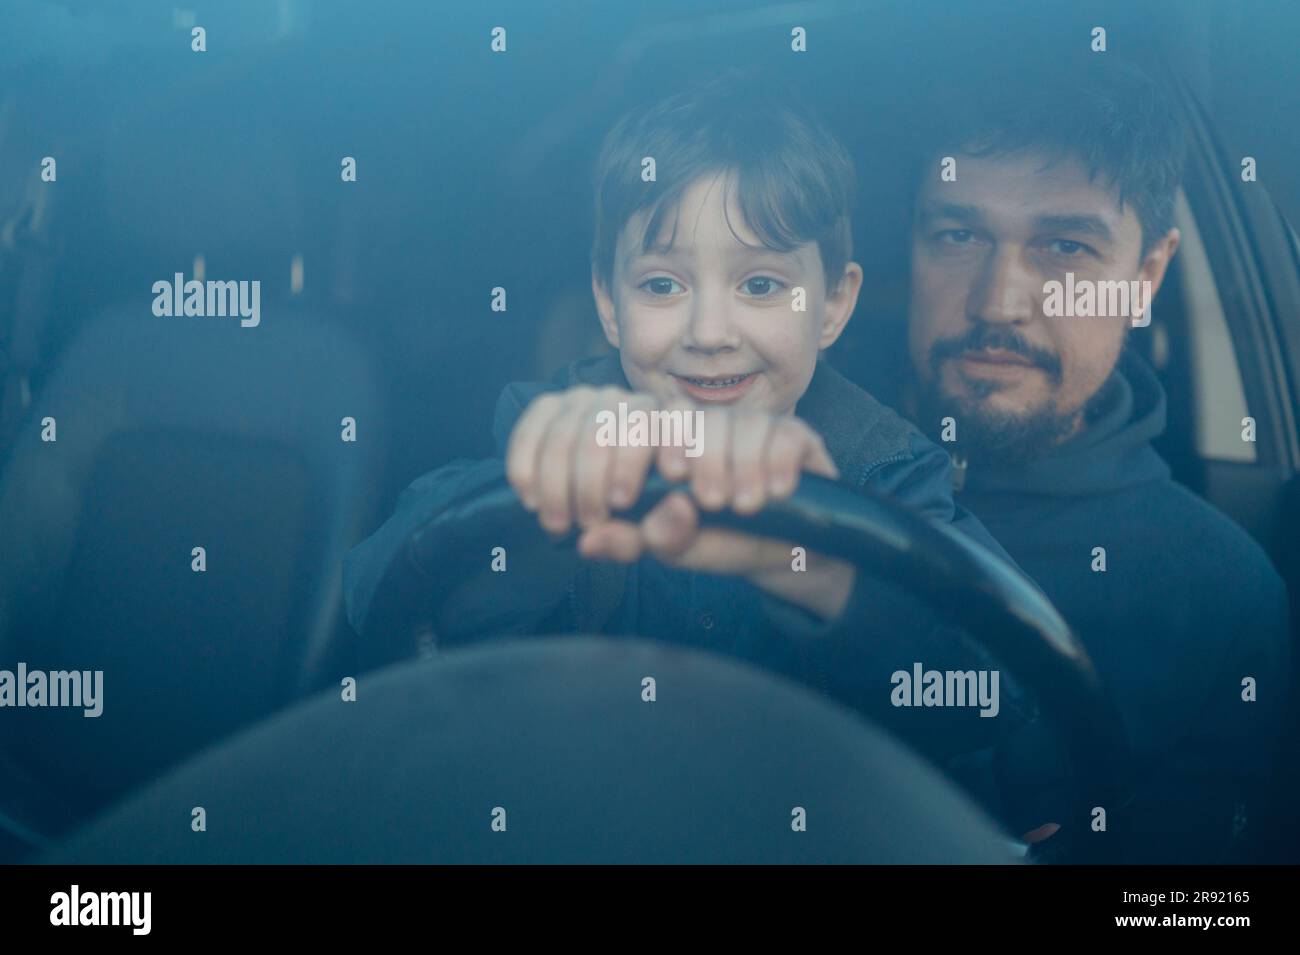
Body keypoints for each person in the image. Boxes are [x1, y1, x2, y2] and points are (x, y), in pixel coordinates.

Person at [343, 74, 1041, 771]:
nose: (709, 332)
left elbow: (995, 693)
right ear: (609, 303)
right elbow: (374, 597)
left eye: (760, 284)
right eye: (661, 285)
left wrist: (830, 576)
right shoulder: (545, 439)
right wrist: (543, 509)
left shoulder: (888, 476)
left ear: (832, 303)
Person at [899, 57, 1291, 861]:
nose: (998, 300)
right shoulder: (776, 480)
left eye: (1066, 247)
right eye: (959, 233)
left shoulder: (1220, 594)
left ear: (1146, 276)